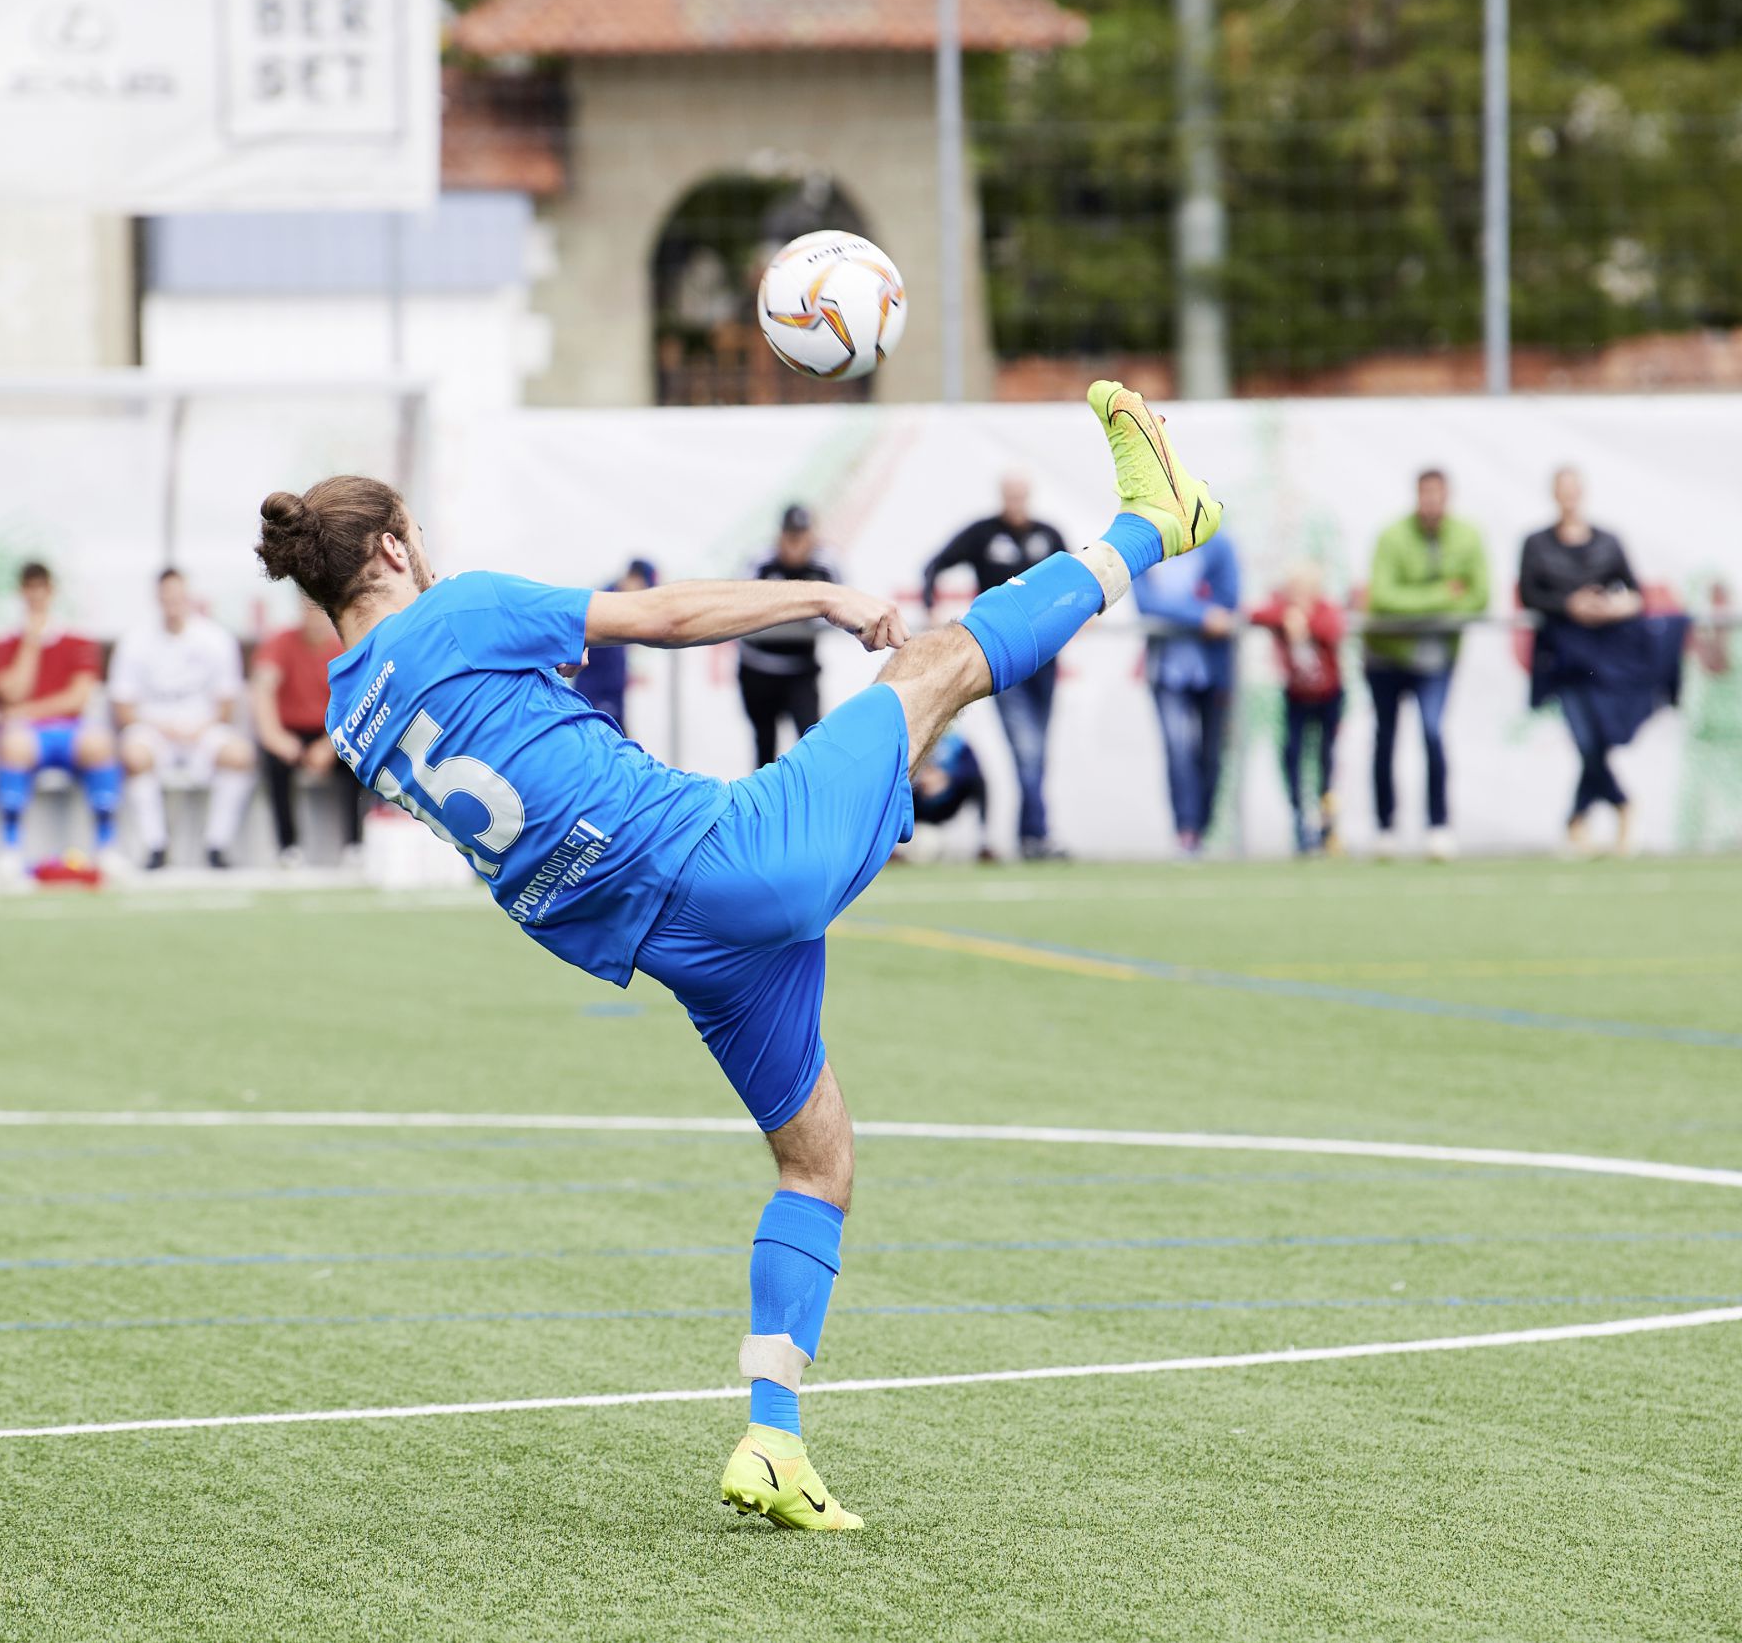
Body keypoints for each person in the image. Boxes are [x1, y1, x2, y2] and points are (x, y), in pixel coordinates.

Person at [255, 380, 1218, 1532]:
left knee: (816, 1161)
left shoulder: (351, 715)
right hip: (728, 861)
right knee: (934, 665)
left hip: (676, 946)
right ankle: (1154, 523)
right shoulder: (454, 612)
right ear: (393, 547)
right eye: (416, 532)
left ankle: (775, 1439)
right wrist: (820, 592)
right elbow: (659, 617)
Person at [921, 476, 1070, 858]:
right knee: (1027, 748)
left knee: (1038, 749)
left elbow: (1074, 578)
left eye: (1021, 495)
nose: (1016, 502)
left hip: (1046, 657)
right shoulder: (983, 534)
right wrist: (931, 608)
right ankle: (1036, 835)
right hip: (1005, 656)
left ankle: (1031, 833)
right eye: (1010, 495)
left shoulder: (1048, 535)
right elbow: (934, 565)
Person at [1520, 467, 1650, 855]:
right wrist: (1569, 605)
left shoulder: (1607, 542)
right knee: (1584, 738)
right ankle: (1617, 803)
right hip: (1563, 657)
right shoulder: (1537, 544)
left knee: (1599, 739)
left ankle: (1578, 816)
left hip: (1606, 658)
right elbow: (1529, 594)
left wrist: (1610, 606)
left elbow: (1634, 591)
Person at [1363, 467, 1489, 860]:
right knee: (1386, 738)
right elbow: (1383, 598)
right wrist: (1443, 595)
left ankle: (1438, 826)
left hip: (1436, 658)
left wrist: (1419, 602)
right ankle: (1385, 828)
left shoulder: (1467, 536)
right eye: (1425, 494)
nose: (1431, 502)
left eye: (1438, 494)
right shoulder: (1392, 536)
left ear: (1447, 497)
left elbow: (1480, 597)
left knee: (1433, 733)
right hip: (1386, 655)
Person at [0, 562, 124, 874]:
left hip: (69, 730)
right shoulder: (2, 642)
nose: (36, 595)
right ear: (21, 593)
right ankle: (10, 848)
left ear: (51, 591)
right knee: (14, 744)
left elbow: (78, 698)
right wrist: (31, 643)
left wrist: (26, 711)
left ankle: (107, 845)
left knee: (99, 743)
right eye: (29, 588)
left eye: (41, 588)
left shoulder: (78, 640)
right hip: (28, 734)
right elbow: (13, 692)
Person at [110, 568, 254, 870]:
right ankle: (155, 846)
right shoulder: (135, 641)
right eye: (167, 597)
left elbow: (227, 704)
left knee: (239, 755)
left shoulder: (216, 638)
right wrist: (162, 727)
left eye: (178, 596)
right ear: (157, 598)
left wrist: (199, 728)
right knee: (134, 755)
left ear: (188, 597)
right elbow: (123, 707)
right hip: (152, 731)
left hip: (203, 730)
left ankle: (217, 845)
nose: (173, 603)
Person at [1134, 526, 1242, 855]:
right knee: (1178, 752)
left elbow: (1228, 601)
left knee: (1211, 755)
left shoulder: (1219, 545)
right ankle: (1186, 830)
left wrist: (1180, 610)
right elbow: (1148, 604)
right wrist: (1200, 615)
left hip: (1213, 670)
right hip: (1166, 671)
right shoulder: (1149, 547)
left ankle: (1202, 828)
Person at [251, 597, 359, 866]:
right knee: (273, 763)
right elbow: (263, 689)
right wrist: (275, 737)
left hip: (330, 734)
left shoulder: (341, 648)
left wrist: (329, 746)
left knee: (357, 761)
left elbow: (352, 705)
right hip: (290, 733)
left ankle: (356, 845)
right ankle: (288, 847)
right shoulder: (280, 643)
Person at [1249, 562, 1346, 854]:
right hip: (1296, 696)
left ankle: (1327, 823)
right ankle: (1300, 819)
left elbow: (1333, 629)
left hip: (1328, 695)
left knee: (1325, 759)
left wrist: (1305, 622)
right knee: (1292, 754)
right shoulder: (1283, 611)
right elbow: (1255, 614)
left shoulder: (1325, 610)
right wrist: (1287, 616)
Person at [739, 506, 835, 767]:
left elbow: (847, 606)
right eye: (790, 536)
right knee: (764, 746)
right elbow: (740, 607)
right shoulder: (760, 562)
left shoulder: (824, 565)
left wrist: (793, 611)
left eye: (801, 536)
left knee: (811, 746)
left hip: (800, 671)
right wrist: (802, 608)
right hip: (758, 668)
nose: (795, 545)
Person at [570, 560, 658, 734]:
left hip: (608, 701)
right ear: (634, 578)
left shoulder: (618, 607)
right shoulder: (604, 607)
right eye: (643, 588)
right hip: (596, 700)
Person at [908, 731, 995, 862]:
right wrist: (920, 781)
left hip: (949, 800)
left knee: (979, 783)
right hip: (918, 801)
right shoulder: (915, 738)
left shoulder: (957, 742)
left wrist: (947, 779)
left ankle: (985, 841)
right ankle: (894, 847)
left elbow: (973, 769)